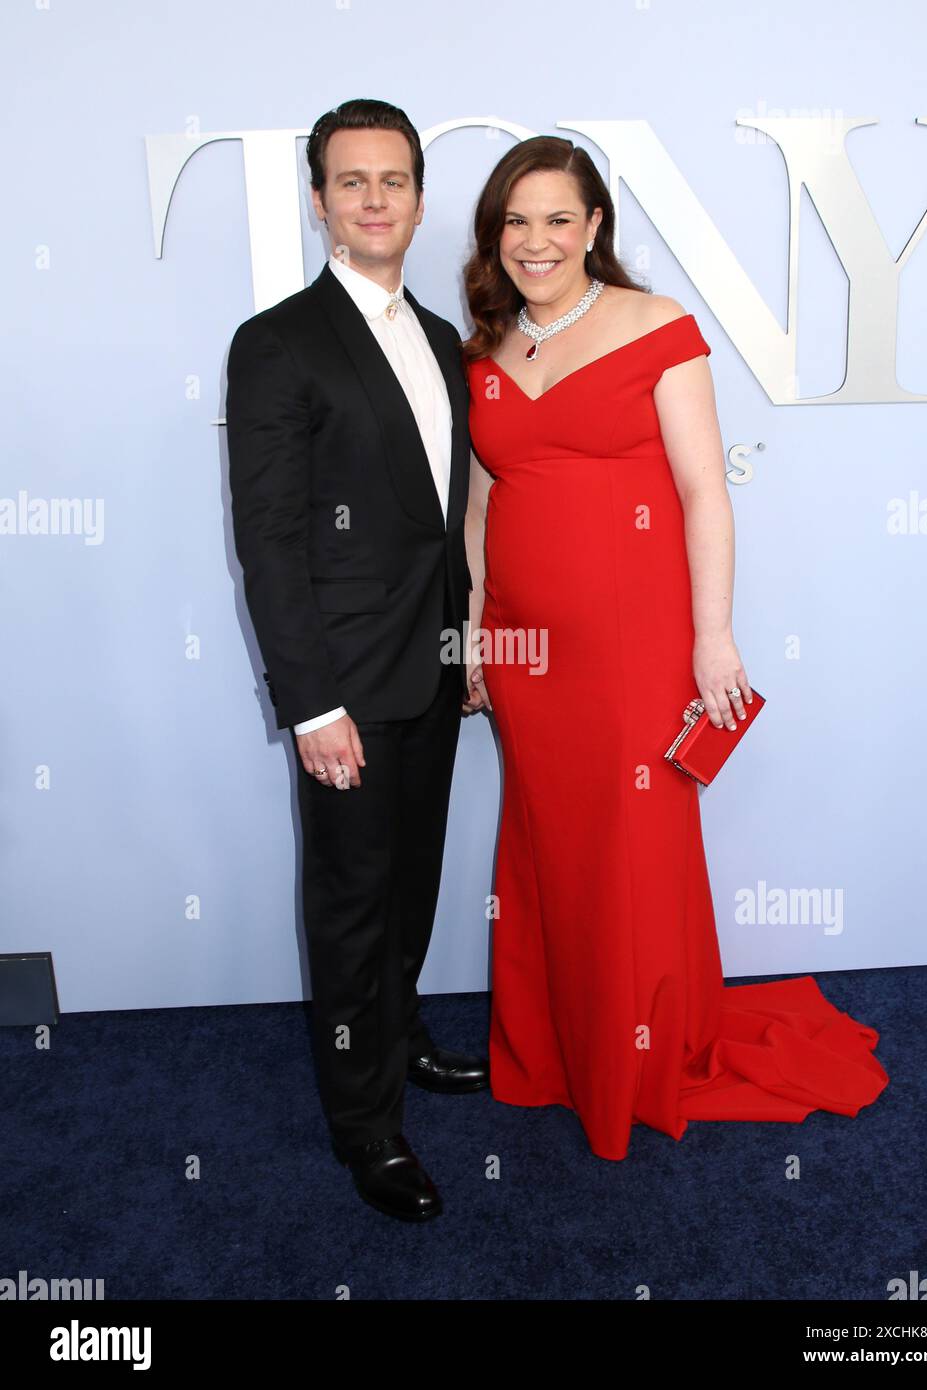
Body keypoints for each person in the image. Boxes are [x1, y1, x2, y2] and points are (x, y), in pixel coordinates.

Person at [461, 136, 889, 1161]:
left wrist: (712, 638)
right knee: (544, 844)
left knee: (629, 849)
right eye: (516, 221)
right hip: (525, 652)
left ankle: (637, 1057)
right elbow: (479, 505)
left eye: (558, 218)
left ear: (596, 226)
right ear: (495, 236)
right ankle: (557, 1051)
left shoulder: (658, 330)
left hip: (629, 642)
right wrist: (475, 631)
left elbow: (705, 494)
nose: (536, 240)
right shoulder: (484, 350)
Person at [226, 99, 488, 1222]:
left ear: (419, 202)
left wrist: (465, 639)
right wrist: (309, 702)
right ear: (320, 199)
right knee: (349, 903)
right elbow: (269, 541)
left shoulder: (438, 339)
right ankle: (364, 1124)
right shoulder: (277, 341)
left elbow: (443, 519)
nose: (373, 200)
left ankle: (403, 1029)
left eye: (392, 181)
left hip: (430, 667)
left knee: (413, 881)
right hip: (342, 687)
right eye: (350, 181)